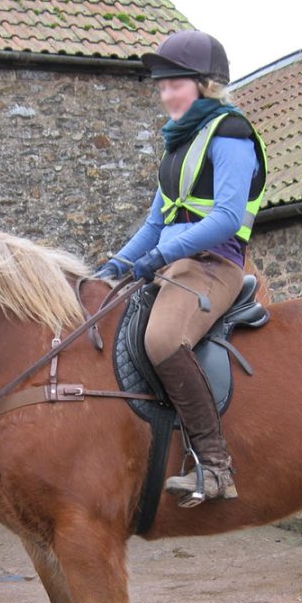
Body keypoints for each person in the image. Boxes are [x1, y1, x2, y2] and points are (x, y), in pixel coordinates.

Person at [95, 30, 267, 508]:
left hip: (216, 263)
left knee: (163, 339)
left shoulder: (231, 133)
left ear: (205, 85)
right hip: (174, 264)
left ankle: (214, 466)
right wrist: (112, 267)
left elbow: (228, 217)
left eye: (177, 83)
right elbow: (155, 224)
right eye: (163, 85)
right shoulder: (178, 145)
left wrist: (163, 257)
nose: (167, 93)